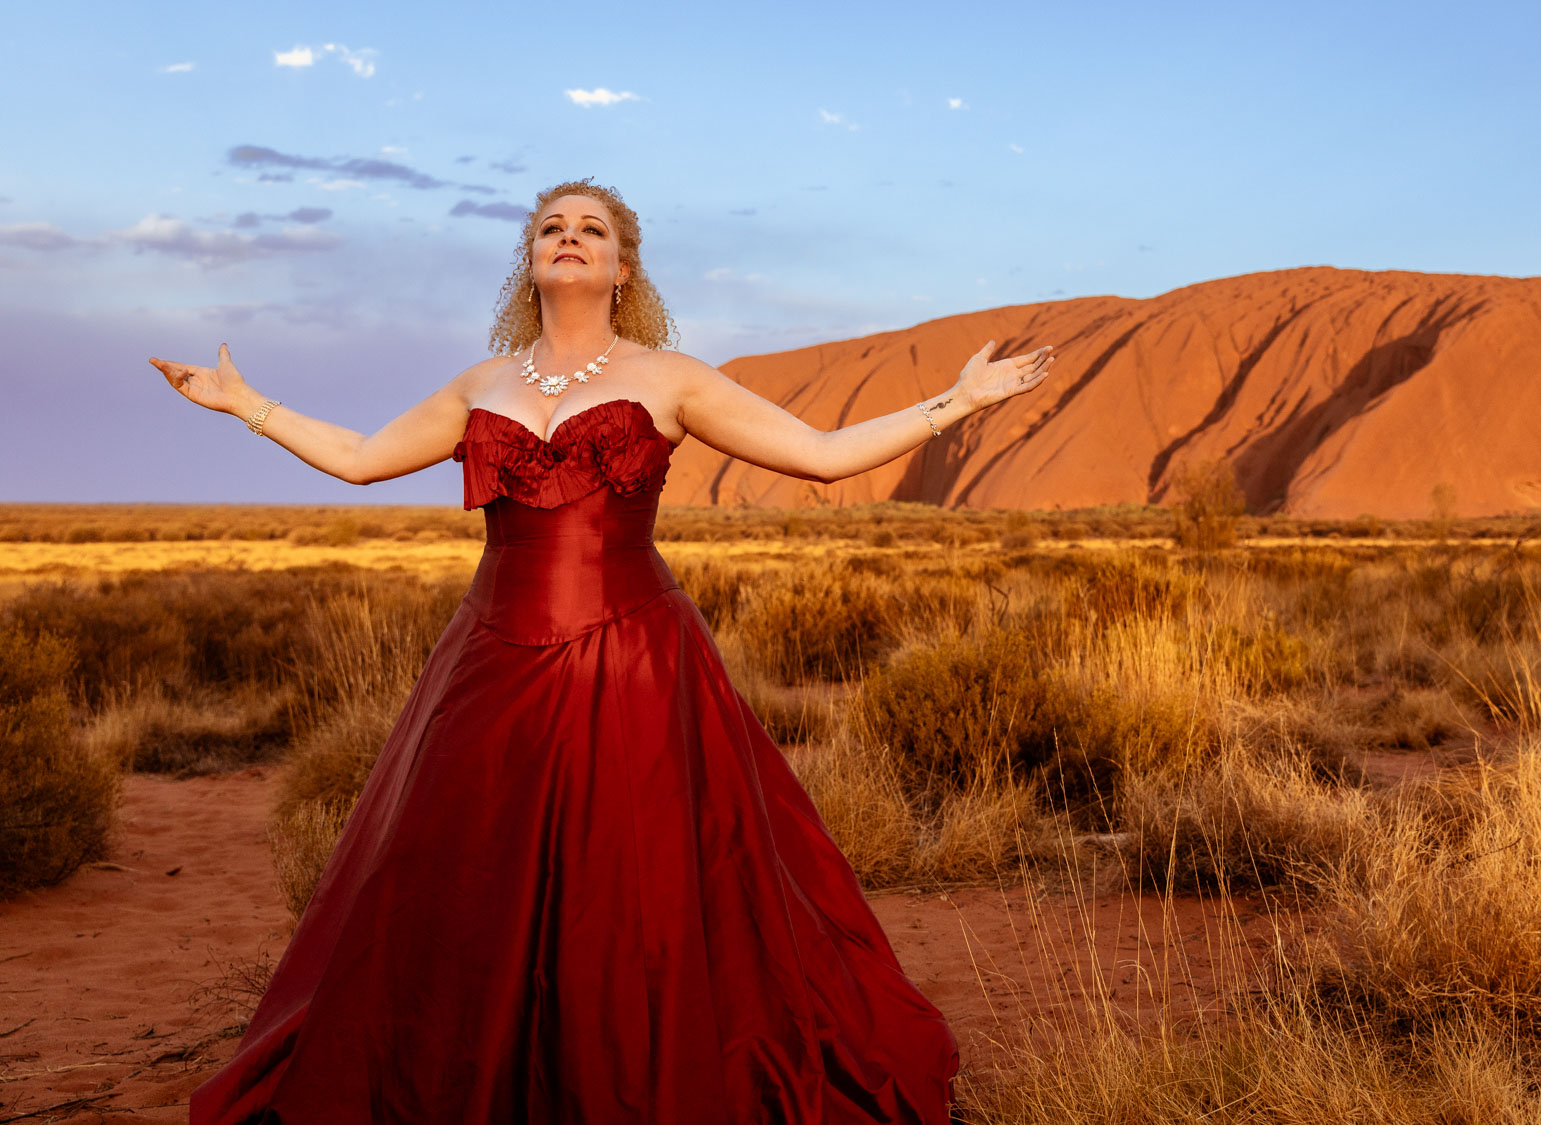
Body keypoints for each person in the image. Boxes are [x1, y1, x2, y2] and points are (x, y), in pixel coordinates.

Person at [149, 178, 1054, 1123]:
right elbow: (362, 456)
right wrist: (246, 404)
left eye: (593, 229)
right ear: (529, 259)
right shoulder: (481, 383)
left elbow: (820, 456)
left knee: (626, 889)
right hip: (492, 662)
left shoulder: (672, 377)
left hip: (631, 663)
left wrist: (957, 402)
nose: (569, 238)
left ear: (624, 268)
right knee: (467, 882)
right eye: (552, 226)